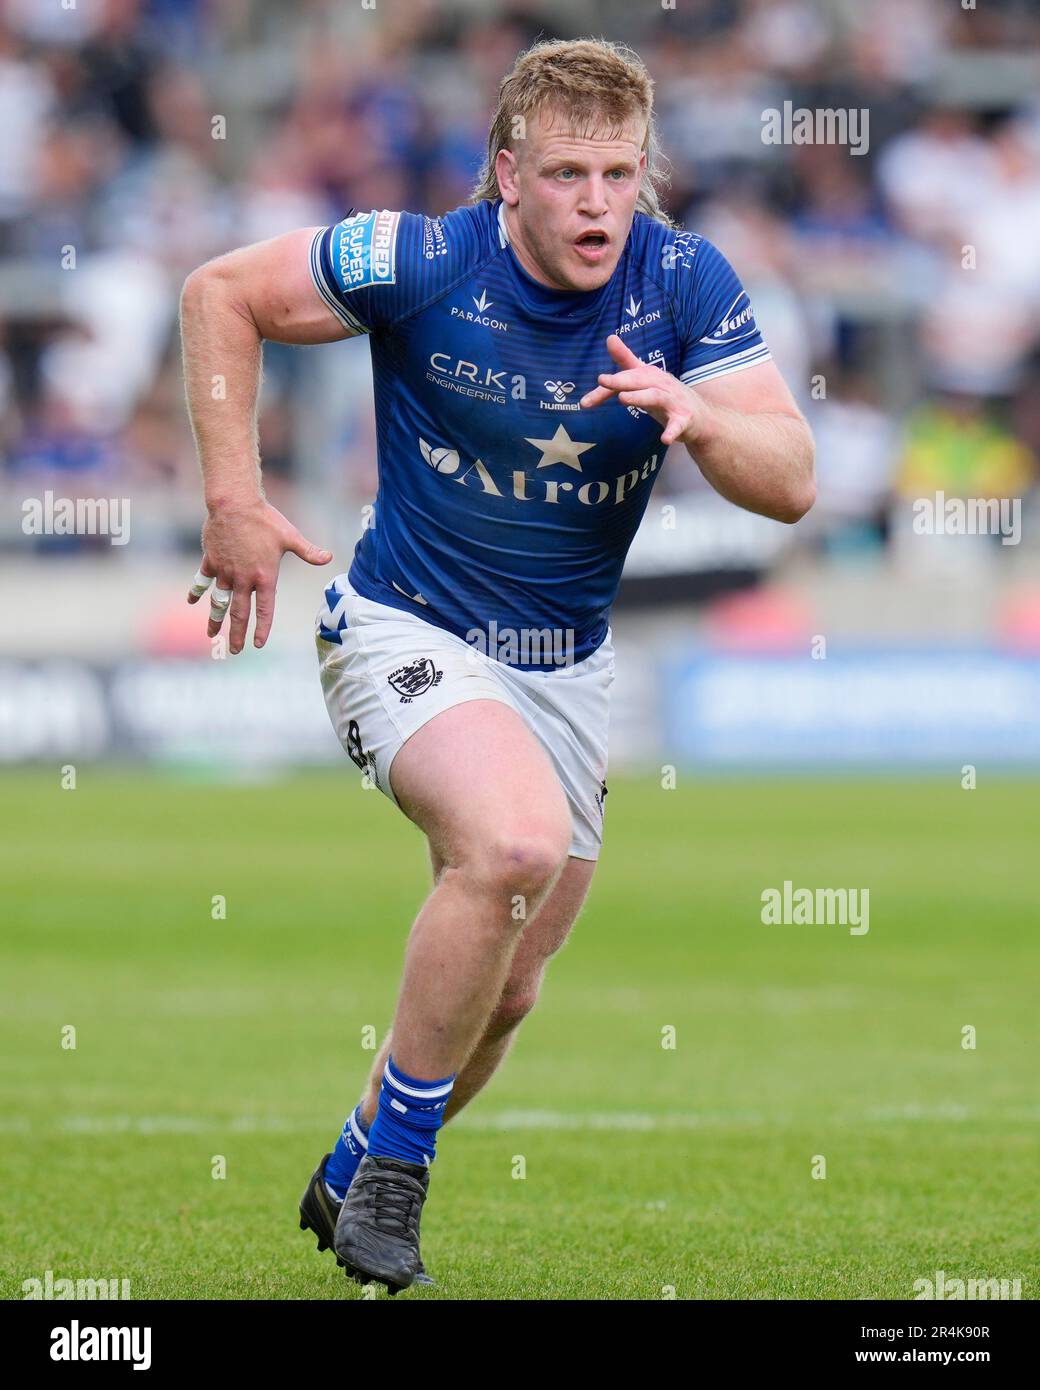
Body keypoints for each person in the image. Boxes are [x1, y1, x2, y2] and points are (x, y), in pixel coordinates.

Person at [179, 36, 814, 1294]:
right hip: (401, 628)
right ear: (504, 176)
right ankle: (399, 1177)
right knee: (512, 847)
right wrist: (232, 502)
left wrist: (702, 419)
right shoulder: (421, 257)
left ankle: (357, 1149)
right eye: (566, 172)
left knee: (508, 991)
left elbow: (791, 481)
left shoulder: (684, 284)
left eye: (618, 173)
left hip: (564, 670)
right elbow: (218, 292)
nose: (594, 201)